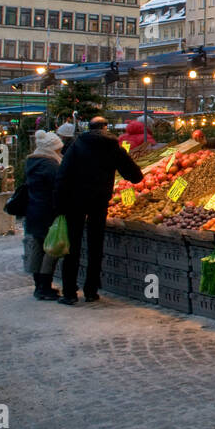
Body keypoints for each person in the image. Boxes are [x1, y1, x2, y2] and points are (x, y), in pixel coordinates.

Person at [54, 117, 142, 305]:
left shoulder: (77, 145)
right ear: (105, 128)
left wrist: (59, 203)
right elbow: (135, 176)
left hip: (74, 201)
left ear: (89, 128)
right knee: (96, 246)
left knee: (73, 246)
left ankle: (69, 292)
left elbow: (63, 174)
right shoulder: (112, 147)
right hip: (99, 202)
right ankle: (91, 291)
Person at [23, 130, 64, 300]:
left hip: (33, 211)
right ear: (51, 150)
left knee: (38, 248)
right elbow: (59, 188)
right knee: (51, 249)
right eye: (58, 150)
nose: (60, 153)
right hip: (48, 212)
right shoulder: (51, 166)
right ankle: (45, 286)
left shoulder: (32, 162)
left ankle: (38, 284)